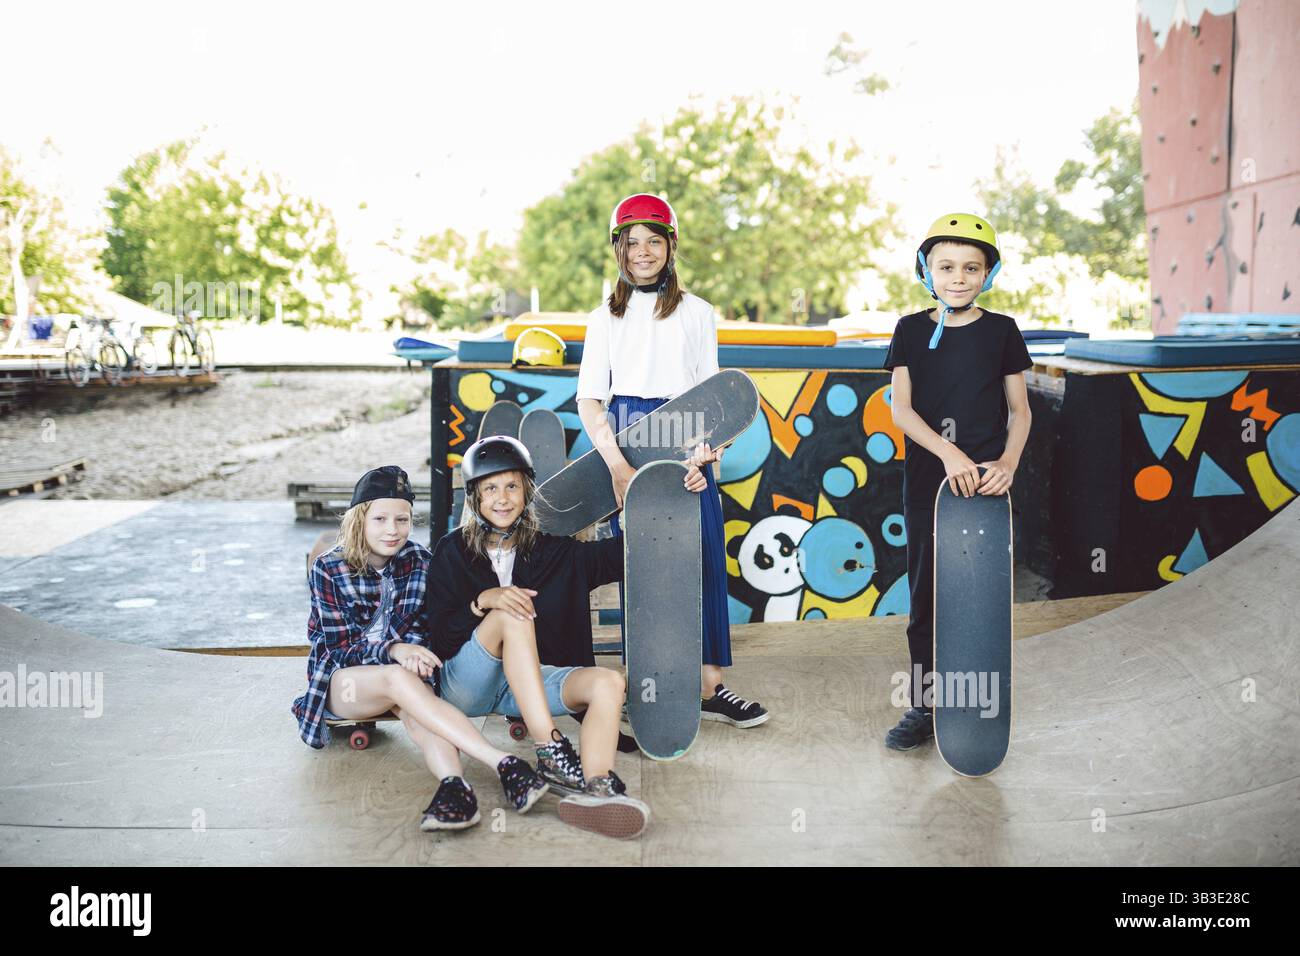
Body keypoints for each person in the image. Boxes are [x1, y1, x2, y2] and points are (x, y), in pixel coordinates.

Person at [428, 436, 717, 838]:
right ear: (474, 497)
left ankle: (596, 783)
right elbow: (437, 633)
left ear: (526, 490)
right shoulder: (451, 551)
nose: (502, 498)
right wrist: (483, 602)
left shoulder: (554, 552)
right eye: (490, 488)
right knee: (510, 612)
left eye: (512, 486)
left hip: (525, 689)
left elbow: (636, 550)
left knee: (609, 683)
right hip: (467, 684)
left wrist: (678, 491)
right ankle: (550, 748)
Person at [575, 193, 769, 729]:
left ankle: (710, 686)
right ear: (618, 249)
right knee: (644, 569)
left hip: (688, 438)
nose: (642, 251)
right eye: (631, 242)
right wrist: (617, 465)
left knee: (702, 559)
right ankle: (647, 689)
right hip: (629, 443)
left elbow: (716, 399)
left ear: (671, 246)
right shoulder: (603, 319)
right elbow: (591, 400)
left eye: (653, 241)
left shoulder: (699, 313)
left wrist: (707, 455)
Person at [292, 465, 548, 830]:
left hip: (401, 678)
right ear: (359, 519)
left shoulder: (419, 562)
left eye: (402, 519)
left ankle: (456, 790)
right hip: (342, 684)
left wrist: (415, 653)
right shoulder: (328, 568)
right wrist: (396, 651)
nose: (392, 530)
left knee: (419, 711)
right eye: (380, 518)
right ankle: (503, 763)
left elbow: (423, 628)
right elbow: (341, 648)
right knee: (399, 679)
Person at [881, 214, 1033, 750]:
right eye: (946, 267)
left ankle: (978, 700)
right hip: (930, 486)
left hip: (987, 491)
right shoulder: (909, 329)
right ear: (926, 270)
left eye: (972, 267)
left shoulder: (1002, 331)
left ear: (988, 273)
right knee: (927, 598)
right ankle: (925, 703)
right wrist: (949, 454)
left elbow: (1020, 410)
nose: (958, 277)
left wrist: (1008, 464)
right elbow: (901, 410)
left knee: (980, 597)